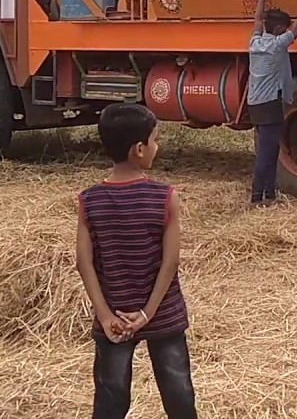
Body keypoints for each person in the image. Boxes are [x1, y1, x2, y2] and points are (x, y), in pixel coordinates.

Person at [76, 103, 196, 419]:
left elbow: (83, 263)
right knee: (179, 393)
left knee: (110, 397)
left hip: (113, 316)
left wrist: (104, 316)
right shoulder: (165, 197)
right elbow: (170, 262)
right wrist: (147, 313)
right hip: (163, 312)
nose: (158, 146)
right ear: (139, 149)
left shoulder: (89, 201)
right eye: (155, 139)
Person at [246, 0, 297, 206]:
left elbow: (257, 18)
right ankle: (257, 197)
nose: (287, 31)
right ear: (278, 30)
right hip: (270, 104)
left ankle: (270, 194)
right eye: (284, 28)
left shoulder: (255, 42)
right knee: (267, 152)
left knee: (271, 148)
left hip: (256, 102)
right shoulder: (276, 46)